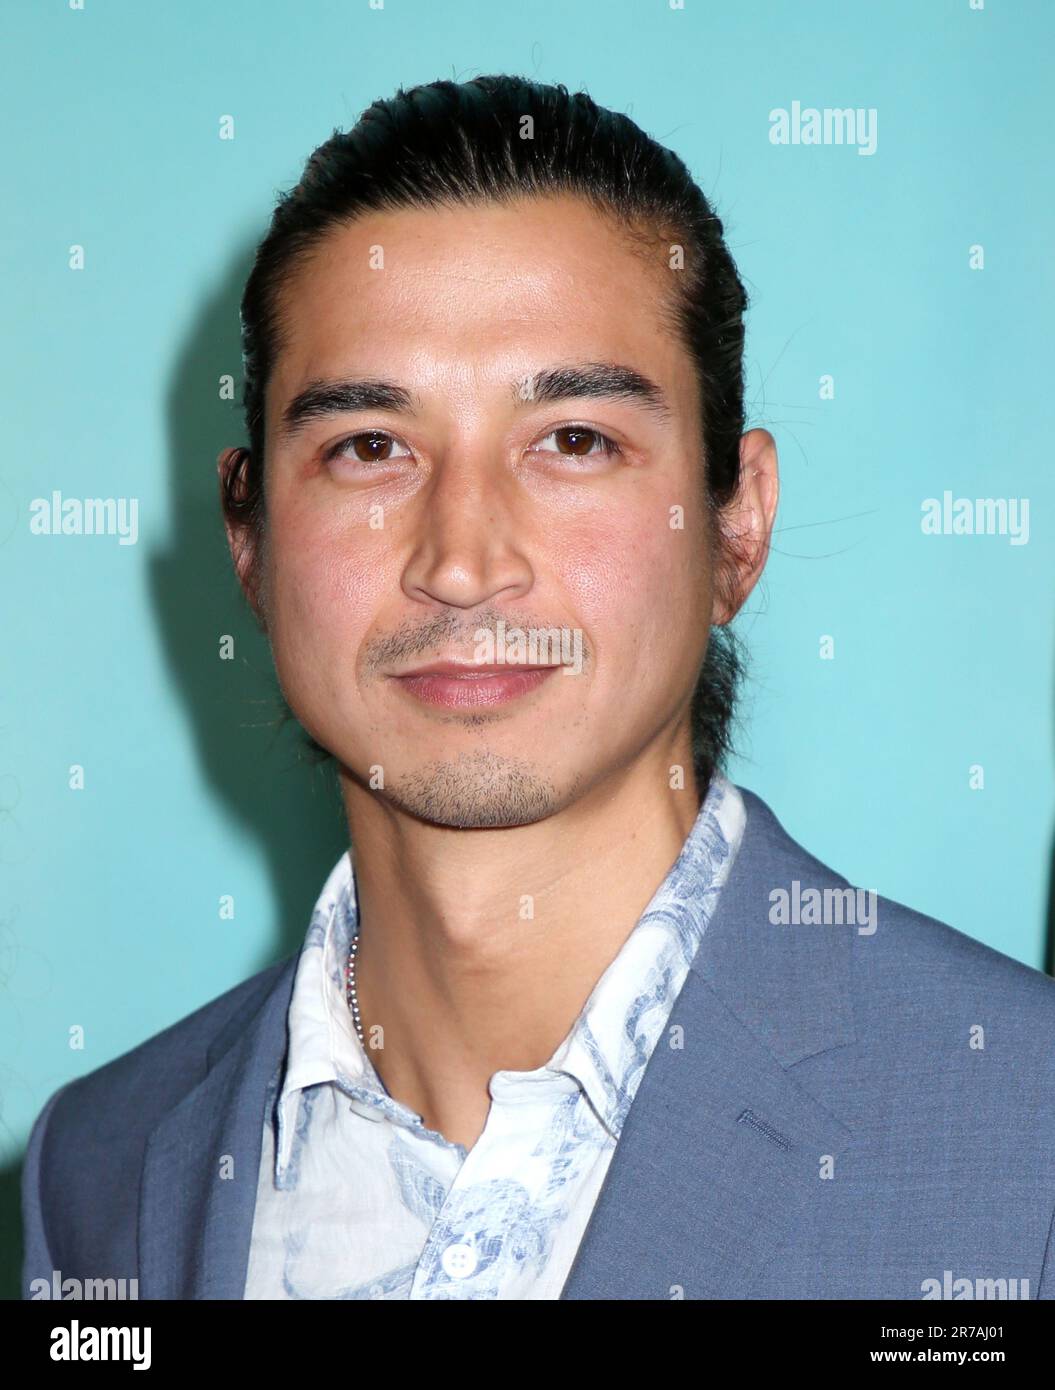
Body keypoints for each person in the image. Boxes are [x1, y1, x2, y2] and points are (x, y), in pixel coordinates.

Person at [22, 74, 1055, 1301]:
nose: (461, 561)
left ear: (736, 524)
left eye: (573, 441)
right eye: (368, 448)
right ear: (248, 539)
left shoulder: (1016, 1136)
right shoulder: (99, 1168)